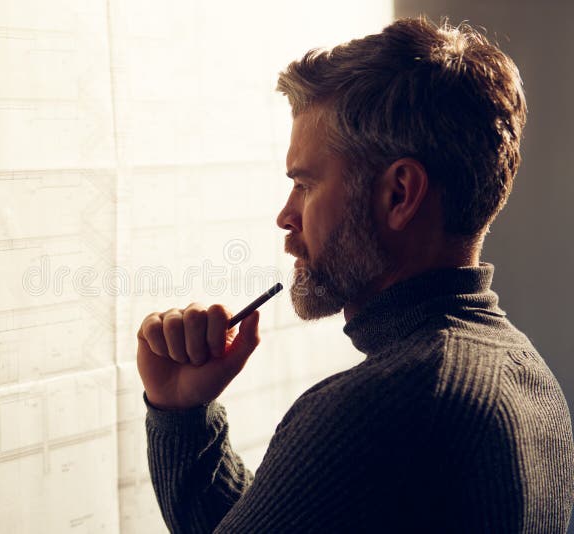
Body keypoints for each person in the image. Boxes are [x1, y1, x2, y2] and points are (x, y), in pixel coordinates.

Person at [135, 16, 574, 533]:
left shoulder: (386, 409)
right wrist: (182, 411)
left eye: (304, 183)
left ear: (398, 194)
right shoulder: (531, 378)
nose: (285, 215)